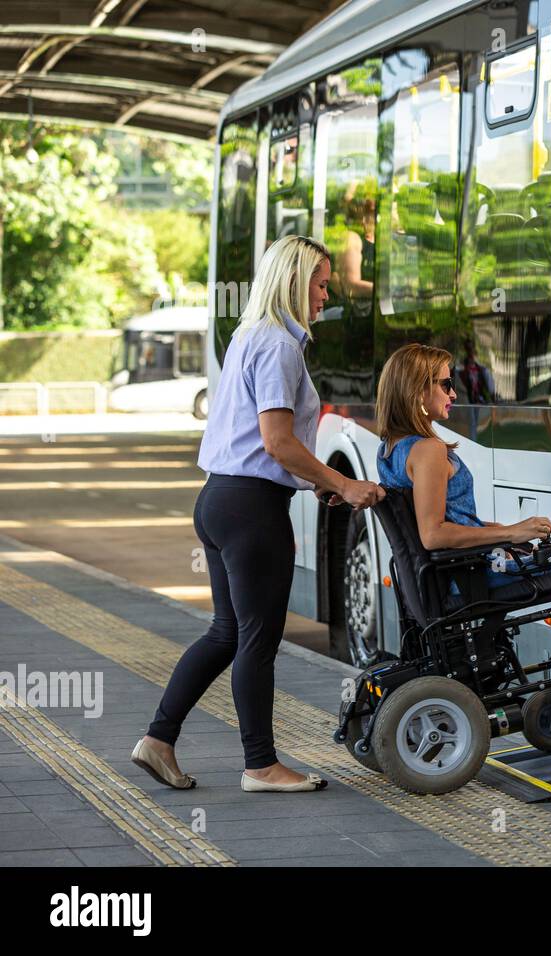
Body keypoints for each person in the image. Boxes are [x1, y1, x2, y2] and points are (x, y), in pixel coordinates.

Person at [132, 235, 385, 794]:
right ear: (295, 282)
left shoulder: (249, 336)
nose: (325, 296)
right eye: (320, 284)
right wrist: (343, 482)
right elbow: (275, 441)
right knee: (257, 640)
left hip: (219, 498)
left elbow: (263, 439)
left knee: (227, 633)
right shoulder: (278, 345)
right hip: (251, 509)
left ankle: (158, 739)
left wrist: (316, 483)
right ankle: (261, 765)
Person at [374, 343, 551, 680]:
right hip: (465, 579)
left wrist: (509, 535)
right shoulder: (428, 450)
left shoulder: (390, 449)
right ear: (417, 390)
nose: (454, 392)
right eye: (446, 384)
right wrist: (511, 533)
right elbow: (434, 533)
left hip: (449, 576)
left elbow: (452, 520)